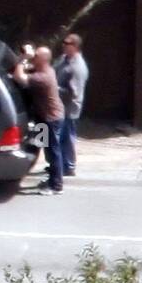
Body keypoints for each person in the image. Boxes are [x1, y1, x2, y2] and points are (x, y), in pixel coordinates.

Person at [13, 43, 65, 195]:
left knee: (53, 151)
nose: (33, 57)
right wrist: (26, 59)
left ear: (42, 60)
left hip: (51, 119)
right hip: (44, 117)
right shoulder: (47, 69)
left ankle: (56, 186)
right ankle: (51, 178)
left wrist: (22, 59)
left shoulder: (42, 78)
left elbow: (19, 77)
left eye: (35, 56)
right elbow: (27, 69)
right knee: (44, 148)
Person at [55, 33, 89, 177]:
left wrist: (52, 88)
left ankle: (68, 166)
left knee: (67, 138)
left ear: (75, 46)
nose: (63, 45)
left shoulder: (77, 67)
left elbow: (71, 93)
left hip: (69, 109)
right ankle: (57, 164)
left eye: (67, 43)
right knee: (58, 137)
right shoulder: (63, 60)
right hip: (58, 107)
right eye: (63, 42)